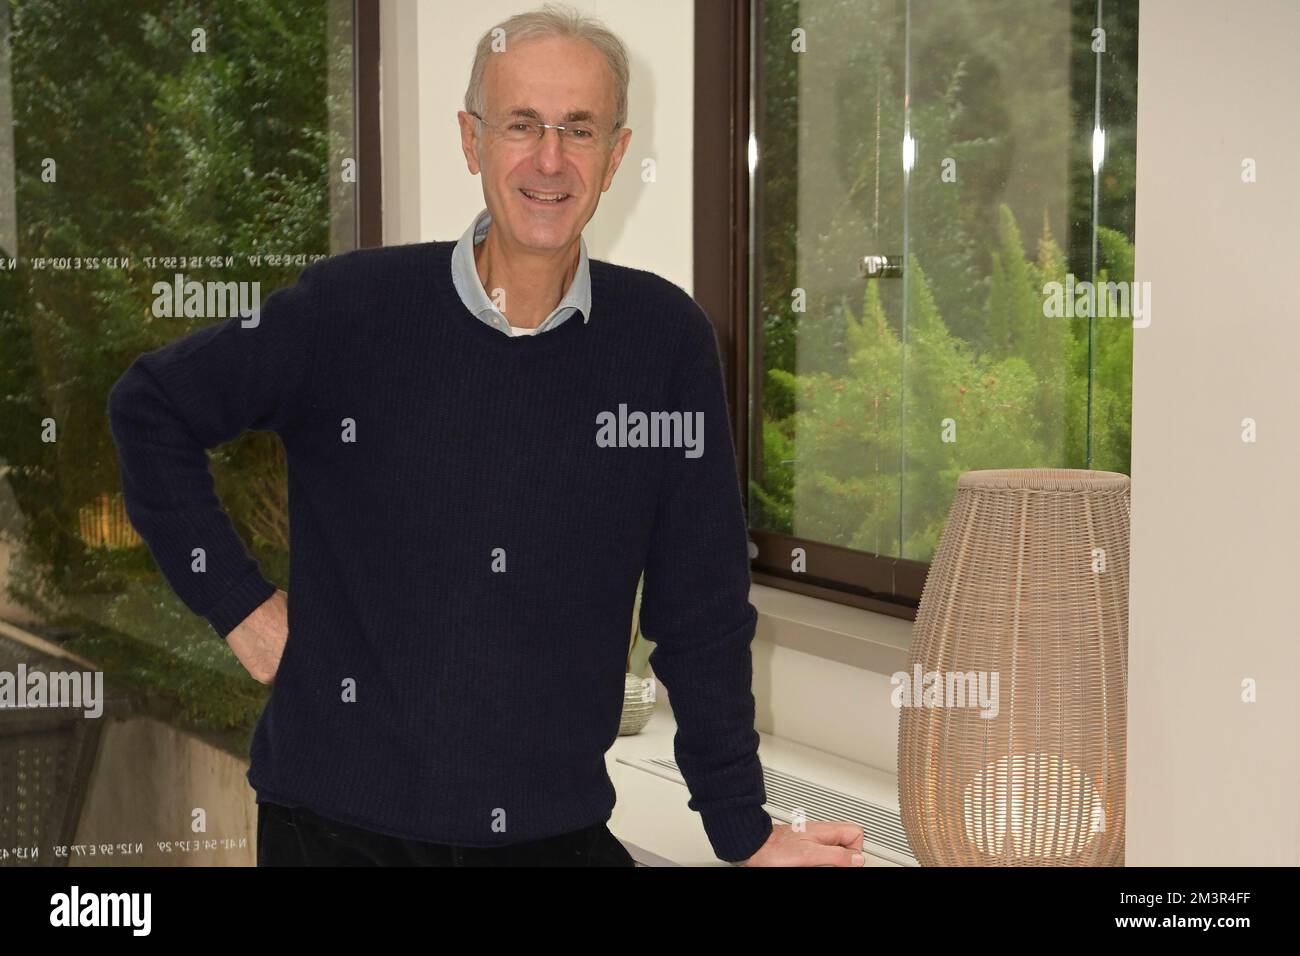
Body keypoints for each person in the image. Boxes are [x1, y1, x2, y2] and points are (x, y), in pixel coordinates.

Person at [107, 2, 865, 868]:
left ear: (616, 155)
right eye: (521, 125)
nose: (550, 159)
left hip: (554, 834)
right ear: (472, 141)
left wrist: (747, 833)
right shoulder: (351, 311)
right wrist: (240, 607)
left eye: (579, 129)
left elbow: (700, 611)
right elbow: (149, 407)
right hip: (336, 835)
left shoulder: (664, 343)